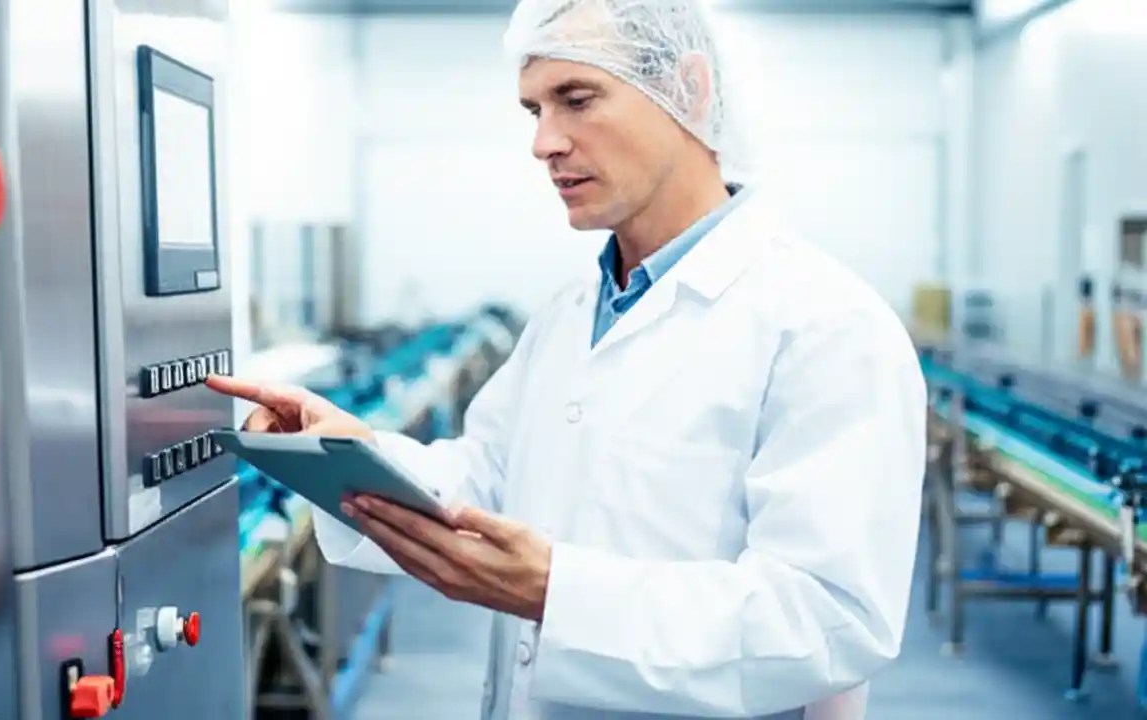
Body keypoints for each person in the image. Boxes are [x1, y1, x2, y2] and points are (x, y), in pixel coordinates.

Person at [207, 0, 928, 717]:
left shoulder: (825, 326)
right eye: (533, 110)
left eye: (577, 100)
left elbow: (829, 619)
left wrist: (557, 591)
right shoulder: (570, 314)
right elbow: (487, 480)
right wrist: (345, 453)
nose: (544, 143)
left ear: (690, 89)